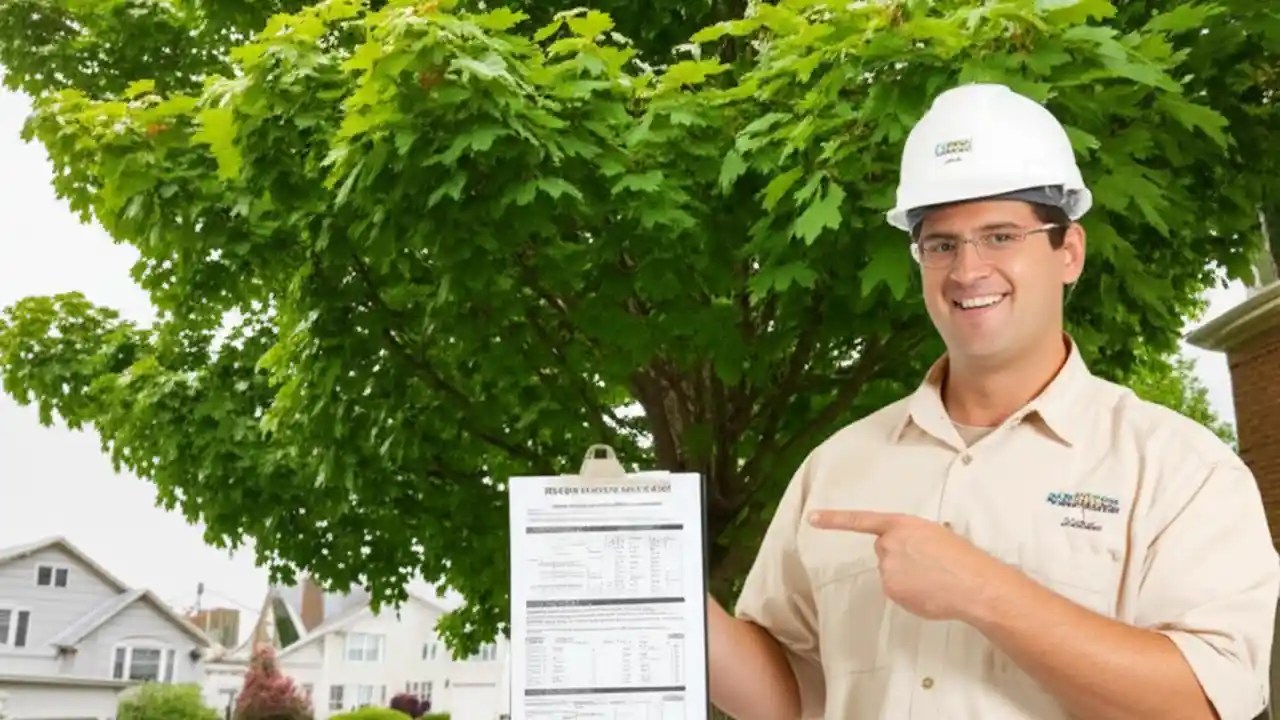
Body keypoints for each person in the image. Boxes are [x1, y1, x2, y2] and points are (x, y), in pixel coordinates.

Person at [707, 82, 1280, 720]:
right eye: (941, 244)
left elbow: (1203, 703)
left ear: (1069, 251)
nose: (967, 269)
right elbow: (787, 699)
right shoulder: (837, 468)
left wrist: (983, 592)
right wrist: (663, 591)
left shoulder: (1180, 469)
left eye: (1001, 236)